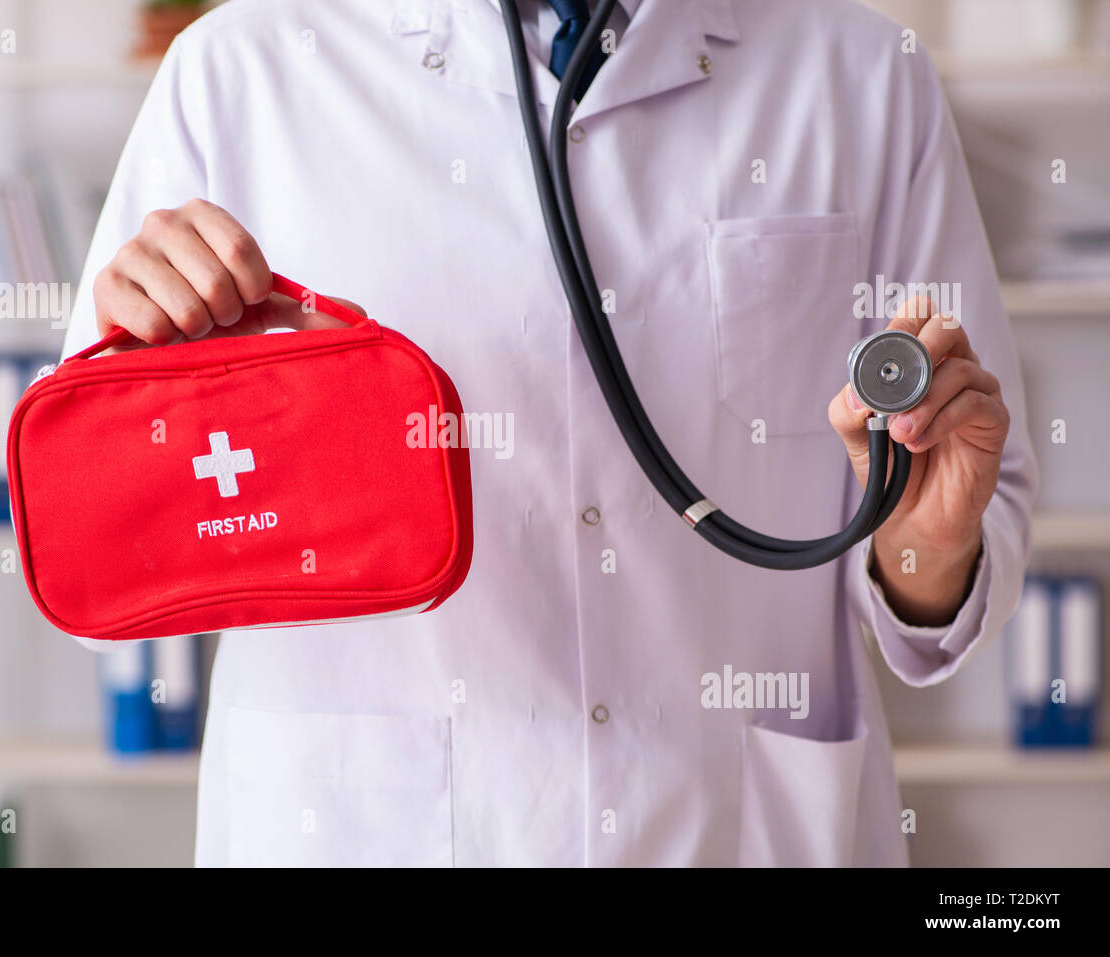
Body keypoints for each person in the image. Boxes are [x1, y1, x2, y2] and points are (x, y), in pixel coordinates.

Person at [63, 0, 1037, 866]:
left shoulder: (862, 74)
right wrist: (154, 371)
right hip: (370, 823)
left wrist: (923, 541)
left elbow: (959, 531)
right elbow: (99, 520)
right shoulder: (238, 71)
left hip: (726, 828)